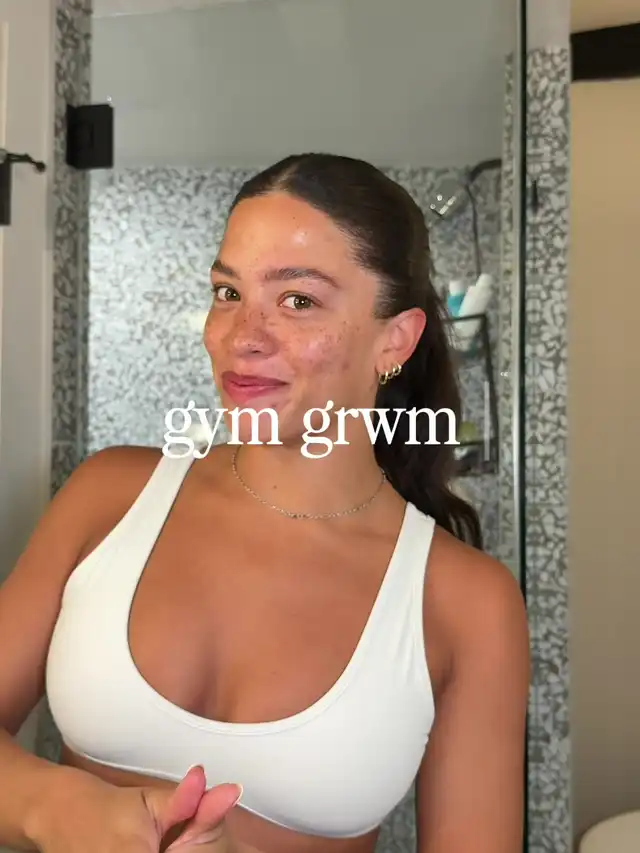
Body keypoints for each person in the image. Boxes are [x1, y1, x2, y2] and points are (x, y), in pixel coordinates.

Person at [0, 153, 529, 853]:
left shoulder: (466, 603)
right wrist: (58, 806)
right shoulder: (110, 496)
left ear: (395, 340)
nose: (240, 337)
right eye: (228, 293)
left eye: (298, 300)